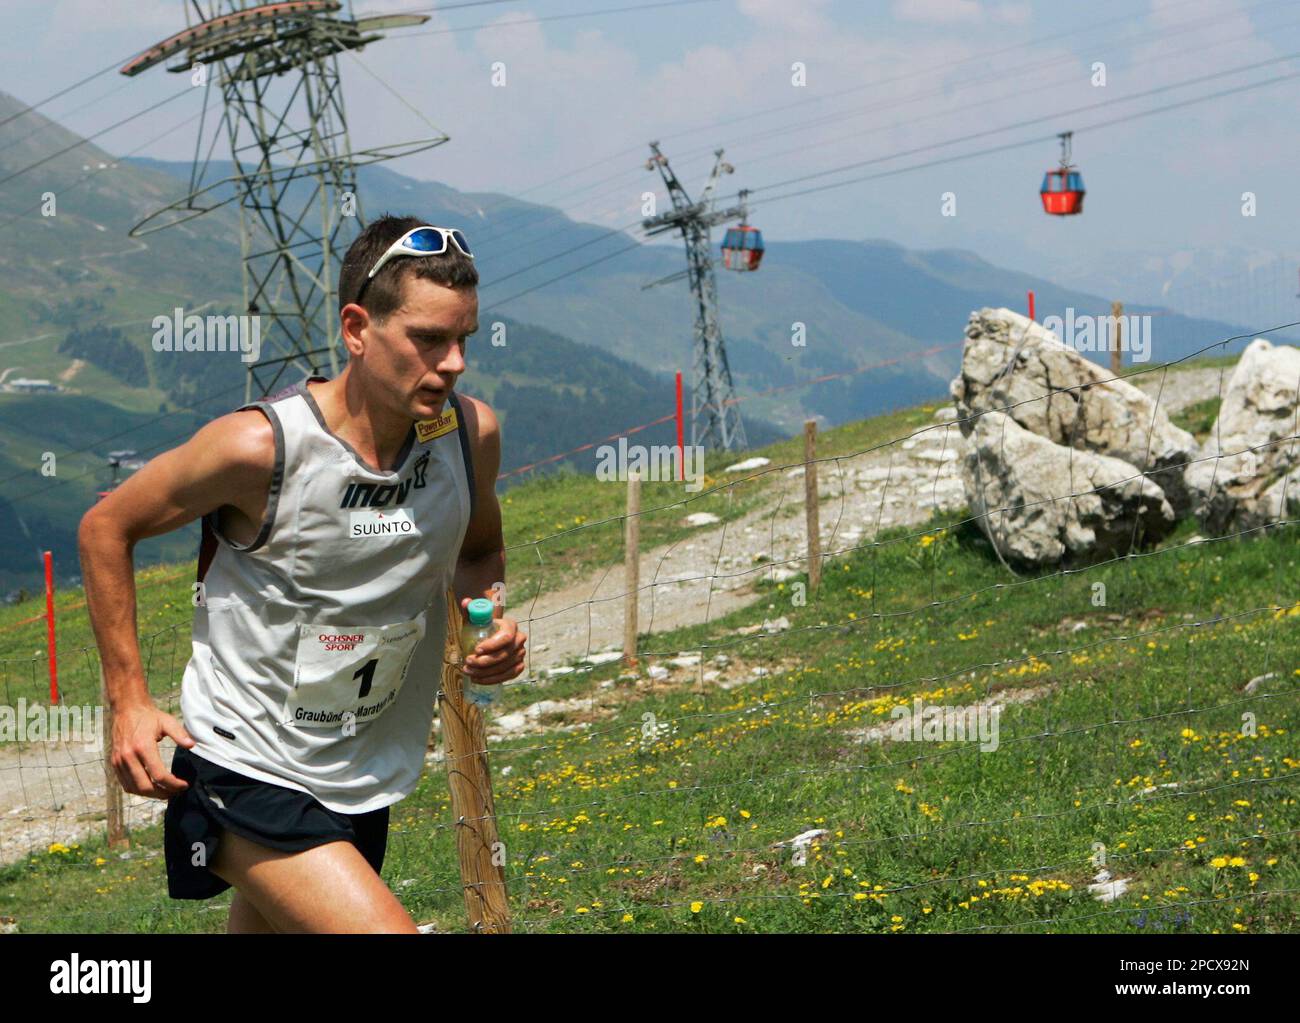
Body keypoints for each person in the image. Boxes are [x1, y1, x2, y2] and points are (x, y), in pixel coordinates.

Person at [78, 215, 526, 933]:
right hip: (244, 764)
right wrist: (129, 700)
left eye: (463, 339)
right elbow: (106, 526)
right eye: (428, 340)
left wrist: (487, 619)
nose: (453, 364)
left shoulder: (470, 437)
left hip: (359, 771)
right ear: (357, 328)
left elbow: (478, 550)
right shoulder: (260, 447)